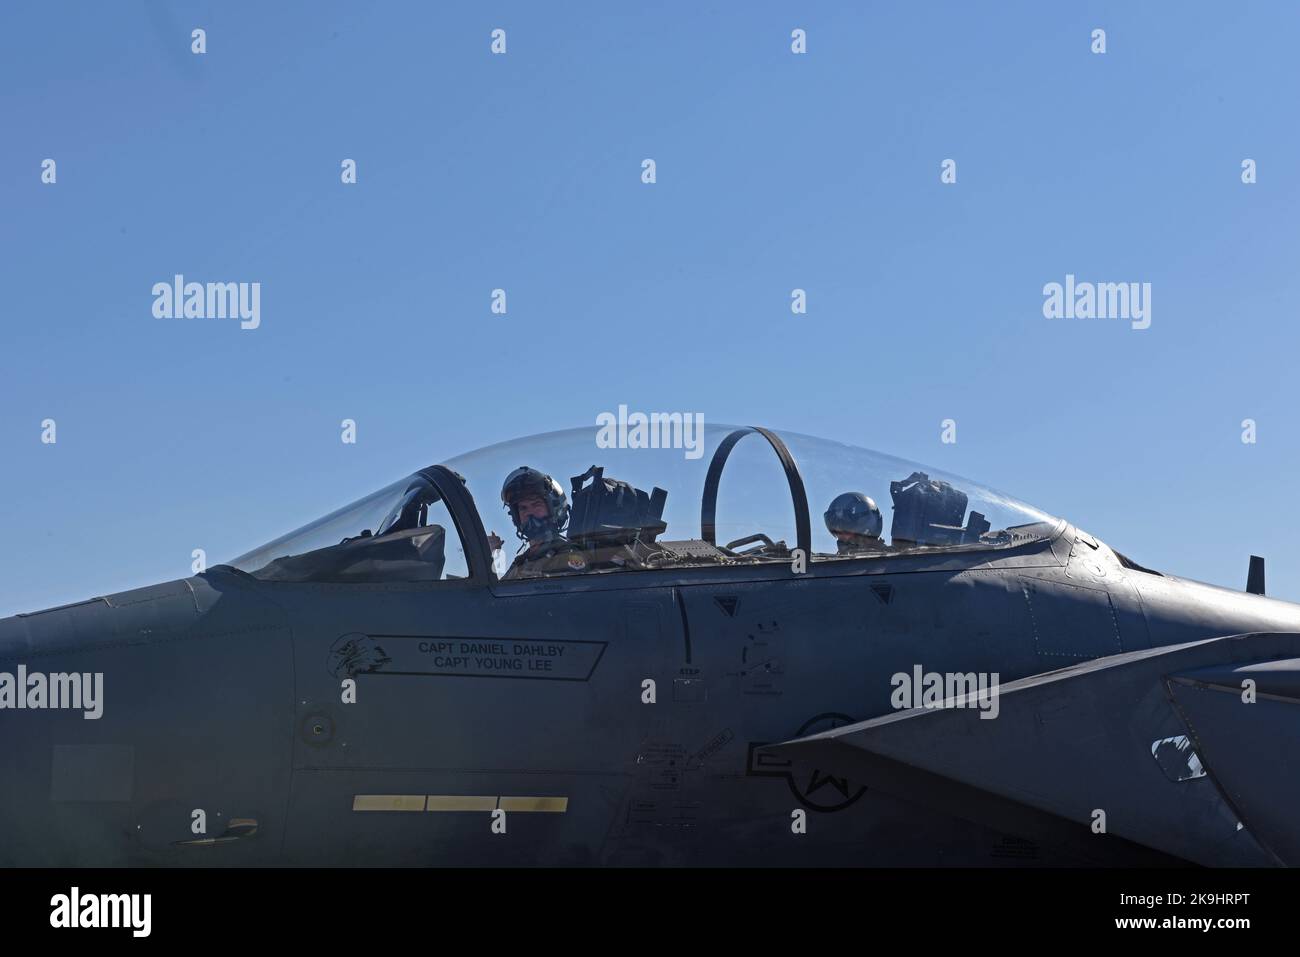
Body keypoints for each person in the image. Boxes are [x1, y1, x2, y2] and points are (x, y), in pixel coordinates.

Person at [487, 466, 590, 579]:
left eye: (536, 504)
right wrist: (487, 555)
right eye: (523, 508)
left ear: (553, 508)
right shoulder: (521, 563)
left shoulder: (568, 555)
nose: (529, 513)